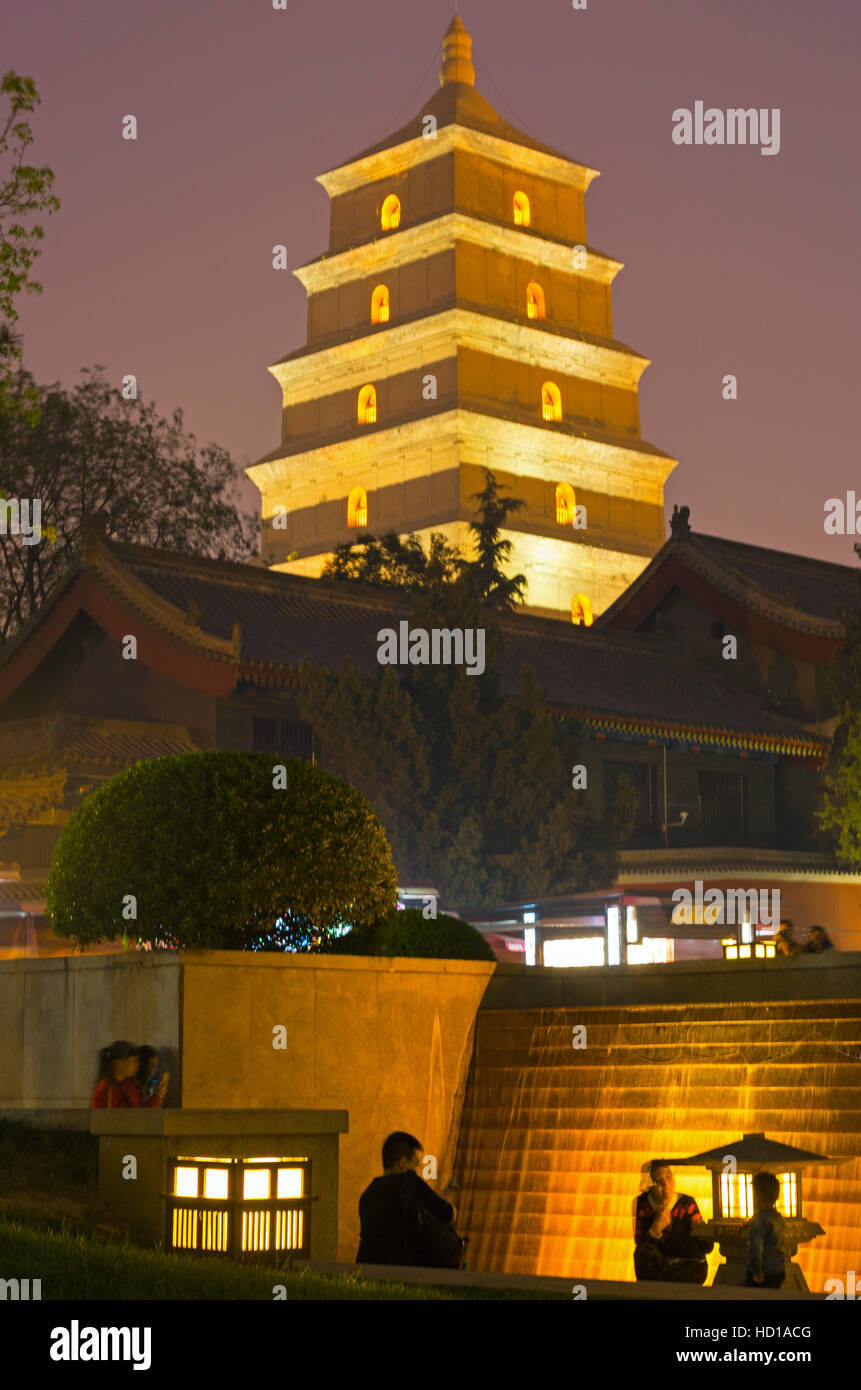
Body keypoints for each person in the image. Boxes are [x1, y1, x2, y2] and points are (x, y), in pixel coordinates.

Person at [356, 1131, 458, 1266]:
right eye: (416, 1163)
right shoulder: (409, 1181)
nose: (417, 1170)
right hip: (404, 1271)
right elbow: (447, 1214)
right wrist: (450, 1196)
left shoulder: (367, 1194)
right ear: (403, 1163)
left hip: (368, 1270)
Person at [633, 1159, 713, 1283]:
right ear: (650, 1185)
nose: (666, 1185)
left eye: (669, 1177)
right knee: (642, 1252)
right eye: (659, 1181)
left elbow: (706, 1248)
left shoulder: (686, 1204)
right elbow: (640, 1243)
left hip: (689, 1263)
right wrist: (655, 1230)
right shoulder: (643, 1204)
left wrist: (702, 1232)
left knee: (666, 1278)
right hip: (663, 1261)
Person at [744, 1171, 787, 1288]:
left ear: (756, 1195)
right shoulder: (778, 1218)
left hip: (763, 1272)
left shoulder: (759, 1221)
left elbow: (755, 1249)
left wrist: (756, 1272)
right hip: (778, 1270)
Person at [90, 1041, 139, 1108]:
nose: (137, 1065)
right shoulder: (109, 1088)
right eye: (133, 1061)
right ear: (119, 1063)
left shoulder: (122, 1085)